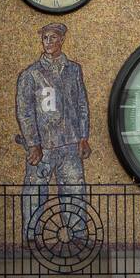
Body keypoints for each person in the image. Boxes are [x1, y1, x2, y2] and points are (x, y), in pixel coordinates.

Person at [16, 25, 91, 239]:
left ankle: (78, 236)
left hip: (69, 144)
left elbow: (82, 104)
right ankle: (31, 237)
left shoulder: (74, 70)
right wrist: (33, 143)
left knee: (74, 191)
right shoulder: (31, 74)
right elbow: (25, 111)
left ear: (62, 40)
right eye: (45, 38)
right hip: (43, 147)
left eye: (53, 37)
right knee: (35, 193)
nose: (48, 41)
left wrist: (83, 137)